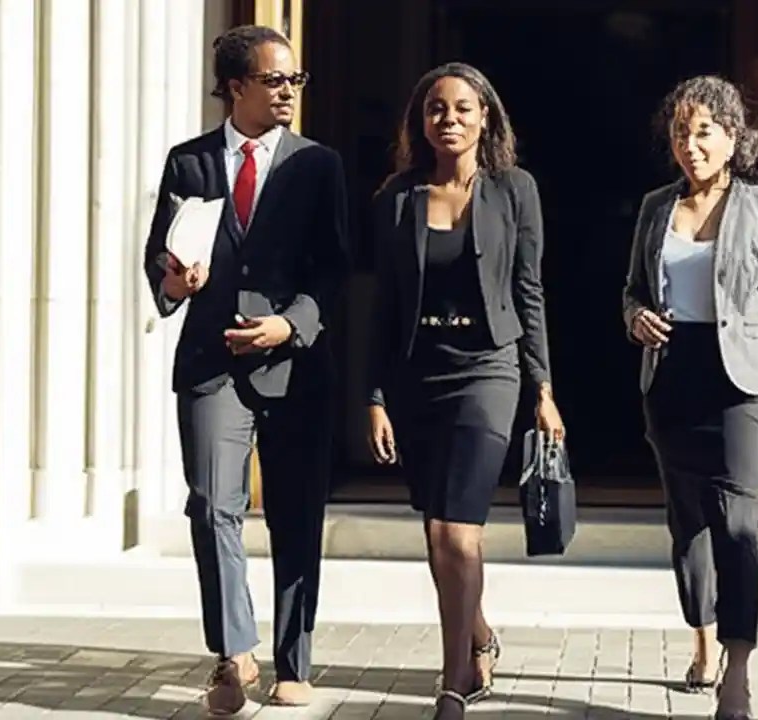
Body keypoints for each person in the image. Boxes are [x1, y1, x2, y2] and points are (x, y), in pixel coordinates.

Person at [141, 25, 348, 714]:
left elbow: (335, 270)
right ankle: (235, 653)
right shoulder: (188, 162)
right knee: (211, 506)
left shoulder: (318, 165)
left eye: (295, 80)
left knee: (295, 515)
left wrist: (291, 324)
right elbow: (158, 266)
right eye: (275, 80)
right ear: (236, 87)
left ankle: (296, 661)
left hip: (295, 366)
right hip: (210, 364)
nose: (289, 90)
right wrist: (176, 282)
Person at [364, 62, 565, 719]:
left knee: (458, 531)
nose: (448, 119)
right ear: (421, 122)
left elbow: (529, 291)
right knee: (435, 534)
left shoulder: (514, 190)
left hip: (489, 369)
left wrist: (543, 385)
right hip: (417, 373)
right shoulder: (395, 197)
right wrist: (374, 396)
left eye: (462, 108)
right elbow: (383, 307)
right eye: (435, 110)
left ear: (486, 118)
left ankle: (455, 681)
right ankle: (478, 637)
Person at [622, 76, 758, 720]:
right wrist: (635, 318)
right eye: (680, 131)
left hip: (742, 383)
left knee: (737, 523)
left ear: (732, 138)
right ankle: (702, 637)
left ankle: (737, 665)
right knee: (689, 528)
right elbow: (632, 290)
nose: (690, 143)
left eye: (703, 131)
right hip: (672, 379)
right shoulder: (656, 207)